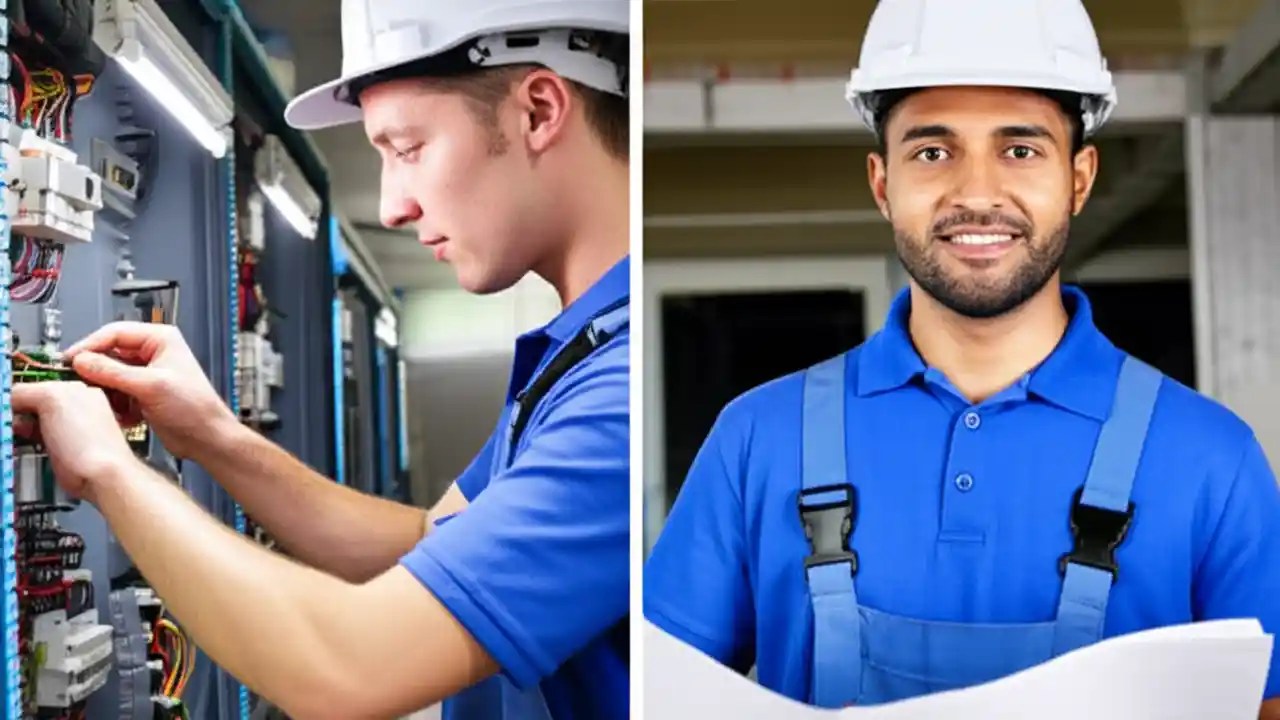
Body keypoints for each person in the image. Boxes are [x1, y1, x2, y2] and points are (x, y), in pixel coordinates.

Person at [643, 0, 1280, 717]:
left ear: (1080, 176)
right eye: (933, 151)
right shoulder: (755, 441)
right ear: (883, 183)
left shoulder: (1212, 460)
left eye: (1020, 149)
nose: (976, 195)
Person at [12, 1, 631, 719]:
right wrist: (213, 435)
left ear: (539, 110)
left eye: (407, 147)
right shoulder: (572, 359)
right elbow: (424, 542)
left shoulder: (614, 393)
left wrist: (109, 472)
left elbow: (351, 667)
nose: (394, 204)